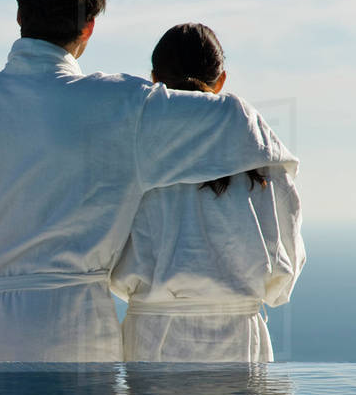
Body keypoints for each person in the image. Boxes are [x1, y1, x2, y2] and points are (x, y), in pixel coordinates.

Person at [0, 0, 297, 362]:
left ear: (20, 16)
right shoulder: (119, 104)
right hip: (77, 330)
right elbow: (230, 119)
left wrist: (5, 238)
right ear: (89, 27)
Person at [110, 24, 305, 362]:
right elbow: (286, 250)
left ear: (155, 79)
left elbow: (107, 240)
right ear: (221, 79)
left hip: (153, 333)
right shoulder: (259, 147)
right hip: (239, 336)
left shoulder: (131, 145)